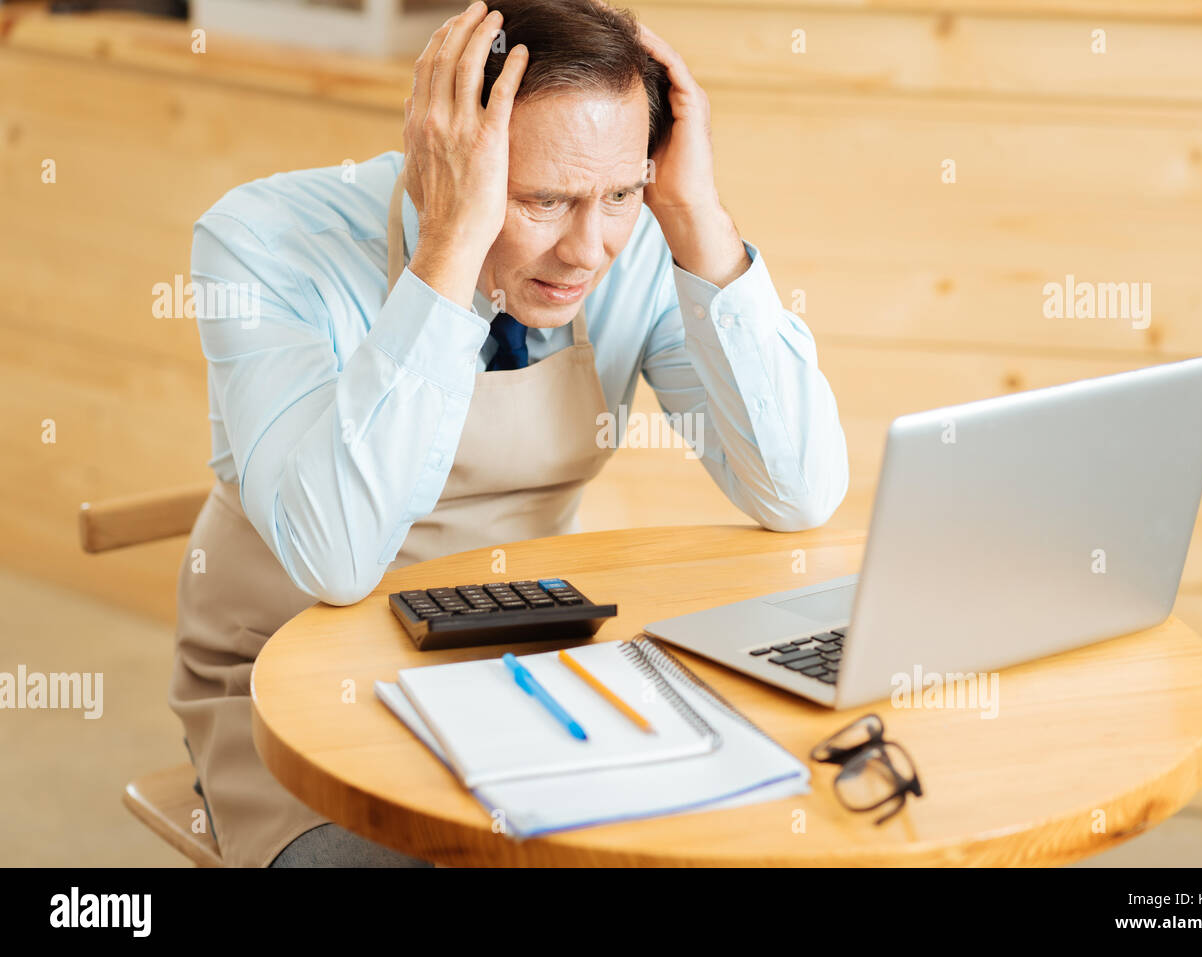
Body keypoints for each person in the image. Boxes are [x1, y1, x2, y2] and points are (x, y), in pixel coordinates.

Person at [169, 0, 850, 867]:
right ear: (441, 151)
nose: (586, 251)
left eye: (621, 194)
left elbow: (795, 492)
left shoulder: (634, 245)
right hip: (288, 685)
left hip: (524, 662)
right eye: (542, 200)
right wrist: (450, 249)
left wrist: (696, 218)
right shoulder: (264, 242)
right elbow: (334, 558)